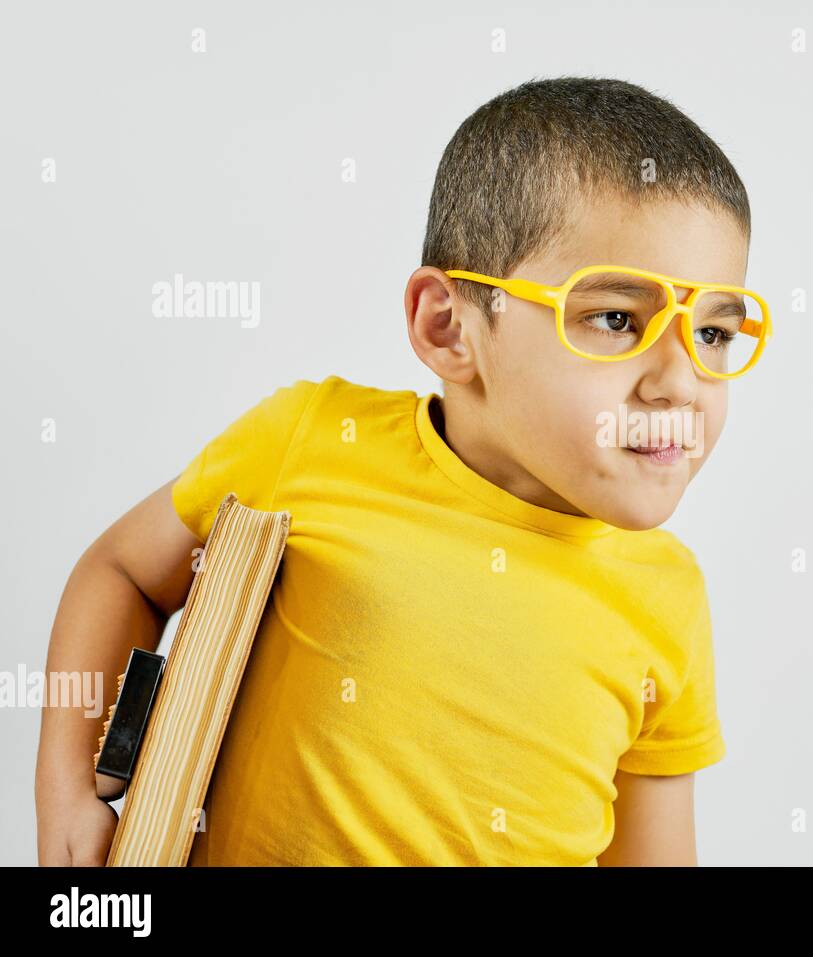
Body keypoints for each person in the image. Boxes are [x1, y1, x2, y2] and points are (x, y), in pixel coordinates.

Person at [35, 75, 772, 866]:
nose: (681, 381)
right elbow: (123, 573)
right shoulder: (316, 440)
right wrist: (71, 789)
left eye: (715, 333)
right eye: (617, 318)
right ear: (449, 326)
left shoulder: (669, 595)